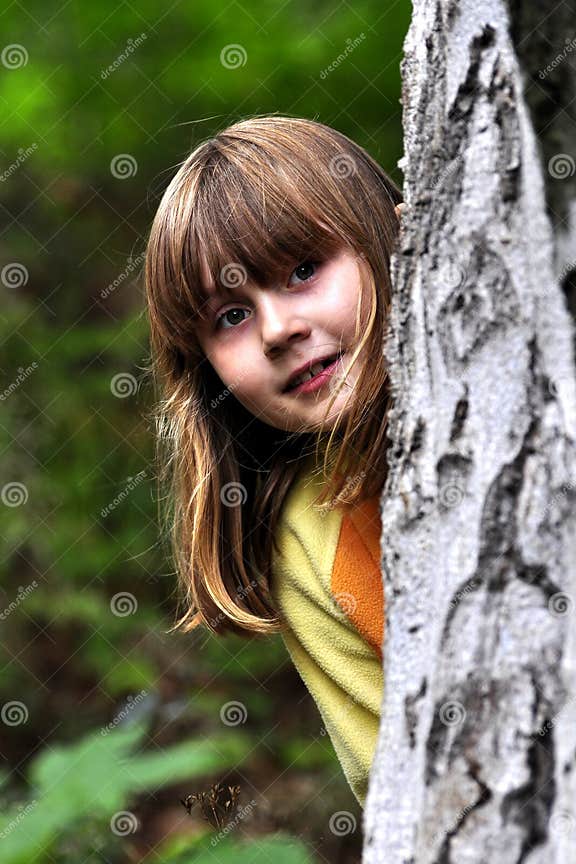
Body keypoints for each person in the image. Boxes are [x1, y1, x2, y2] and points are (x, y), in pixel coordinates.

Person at [143, 114, 404, 808]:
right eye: (230, 315)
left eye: (303, 269)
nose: (279, 329)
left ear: (392, 234)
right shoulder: (308, 541)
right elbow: (404, 792)